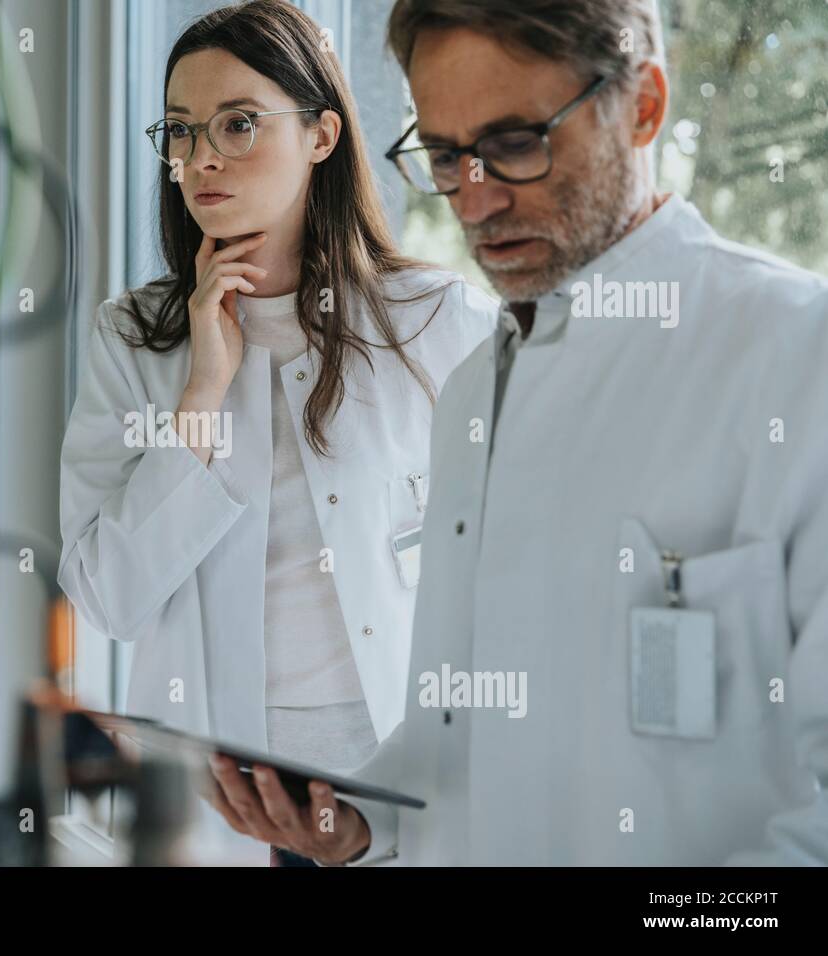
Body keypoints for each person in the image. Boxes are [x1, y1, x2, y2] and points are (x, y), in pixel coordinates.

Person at [204, 0, 828, 866]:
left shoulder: (799, 355)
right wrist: (363, 825)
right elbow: (454, 730)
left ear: (643, 105)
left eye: (514, 145)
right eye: (445, 154)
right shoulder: (470, 398)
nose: (475, 196)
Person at [56, 0, 494, 861]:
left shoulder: (436, 323)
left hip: (397, 793)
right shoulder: (135, 336)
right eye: (181, 132)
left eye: (240, 123)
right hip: (221, 803)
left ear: (322, 136)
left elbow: (505, 573)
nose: (202, 158)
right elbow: (105, 595)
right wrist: (203, 395)